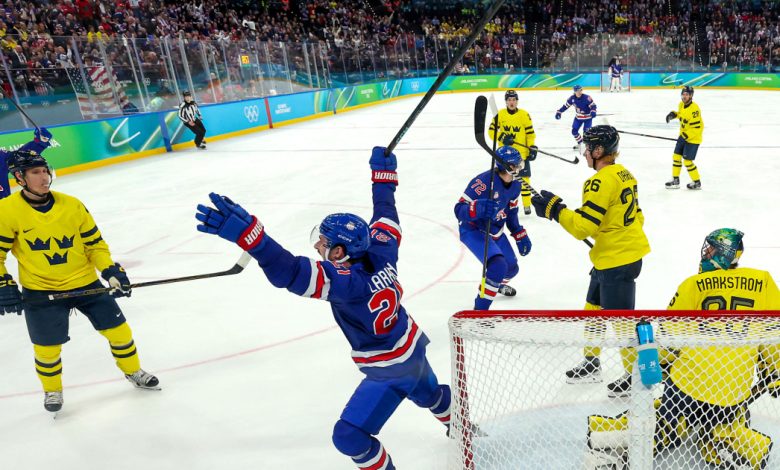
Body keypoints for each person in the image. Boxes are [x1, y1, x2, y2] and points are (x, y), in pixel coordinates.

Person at [194, 146, 451, 470]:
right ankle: (461, 428)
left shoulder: (346, 281)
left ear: (341, 251)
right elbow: (385, 212)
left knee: (349, 436)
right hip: (411, 347)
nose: (318, 245)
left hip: (391, 367)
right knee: (431, 395)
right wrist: (383, 177)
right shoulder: (382, 248)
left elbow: (290, 272)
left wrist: (254, 239)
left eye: (325, 242)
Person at [586, 229, 780, 469]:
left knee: (668, 420)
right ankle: (745, 445)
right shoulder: (765, 282)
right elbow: (773, 335)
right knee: (729, 421)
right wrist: (773, 372)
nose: (706, 253)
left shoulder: (693, 285)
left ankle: (620, 441)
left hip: (687, 390)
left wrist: (663, 364)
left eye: (711, 249)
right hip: (733, 393)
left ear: (724, 253)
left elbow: (668, 338)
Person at [0, 150, 159, 413]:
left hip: (86, 283)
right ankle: (52, 389)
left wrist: (109, 270)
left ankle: (133, 371)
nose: (44, 177)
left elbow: (95, 244)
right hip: (41, 290)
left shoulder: (72, 204)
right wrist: (3, 283)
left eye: (45, 171)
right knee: (47, 348)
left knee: (120, 332)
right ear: (20, 177)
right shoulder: (6, 210)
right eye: (36, 173)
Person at [530, 125, 650, 397]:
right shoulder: (625, 174)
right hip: (615, 256)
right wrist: (610, 235)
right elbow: (634, 218)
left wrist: (556, 211)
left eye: (588, 147)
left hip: (616, 261)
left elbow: (583, 227)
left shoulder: (598, 180)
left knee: (622, 324)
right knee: (592, 307)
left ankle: (634, 378)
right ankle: (592, 360)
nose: (584, 152)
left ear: (599, 151)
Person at [454, 145, 532, 309]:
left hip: (496, 229)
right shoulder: (483, 182)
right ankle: (479, 312)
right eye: (516, 165)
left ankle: (493, 285)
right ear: (507, 166)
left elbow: (511, 213)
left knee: (511, 269)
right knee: (498, 266)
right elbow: (459, 210)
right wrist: (478, 208)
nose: (519, 168)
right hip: (474, 229)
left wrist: (519, 233)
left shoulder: (516, 185)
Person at [488, 90, 538, 214]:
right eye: (509, 100)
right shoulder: (500, 114)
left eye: (514, 100)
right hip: (504, 156)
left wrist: (532, 147)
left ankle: (527, 205)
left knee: (525, 180)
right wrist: (502, 137)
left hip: (521, 154)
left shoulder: (524, 115)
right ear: (506, 101)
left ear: (517, 101)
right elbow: (491, 131)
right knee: (504, 181)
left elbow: (530, 134)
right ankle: (504, 205)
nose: (512, 102)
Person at [665, 85, 703, 190]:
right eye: (683, 94)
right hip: (683, 136)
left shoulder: (694, 109)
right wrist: (673, 114)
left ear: (691, 96)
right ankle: (675, 180)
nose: (684, 96)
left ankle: (697, 182)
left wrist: (685, 136)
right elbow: (681, 114)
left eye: (687, 94)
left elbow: (697, 128)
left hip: (693, 139)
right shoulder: (681, 104)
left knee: (687, 161)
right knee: (676, 157)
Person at [555, 85, 598, 150]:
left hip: (588, 119)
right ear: (574, 91)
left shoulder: (587, 97)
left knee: (586, 133)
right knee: (574, 131)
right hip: (578, 118)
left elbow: (593, 105)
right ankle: (580, 143)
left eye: (581, 90)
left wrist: (593, 111)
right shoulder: (572, 98)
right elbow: (565, 106)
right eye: (578, 91)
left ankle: (586, 144)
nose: (580, 92)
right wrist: (559, 112)